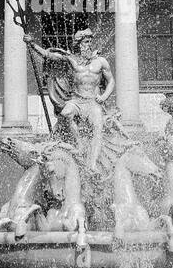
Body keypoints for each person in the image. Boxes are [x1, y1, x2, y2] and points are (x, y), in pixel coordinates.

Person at [26, 28, 114, 171]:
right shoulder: (71, 59)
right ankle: (79, 143)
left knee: (98, 126)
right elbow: (49, 55)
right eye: (85, 42)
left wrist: (104, 97)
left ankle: (92, 164)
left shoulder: (101, 61)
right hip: (76, 101)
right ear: (78, 44)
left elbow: (111, 81)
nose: (89, 45)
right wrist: (32, 45)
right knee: (66, 113)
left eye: (90, 42)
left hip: (93, 102)